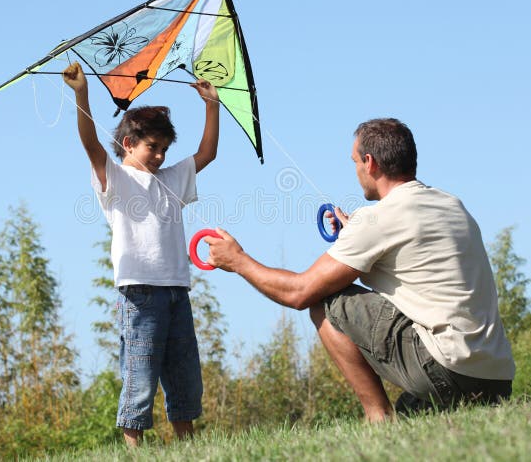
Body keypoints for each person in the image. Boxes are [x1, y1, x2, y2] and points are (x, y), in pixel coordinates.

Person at [205, 118, 515, 422]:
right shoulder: (451, 204)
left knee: (323, 301)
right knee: (412, 415)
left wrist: (238, 260)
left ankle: (377, 417)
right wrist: (353, 234)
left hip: (446, 369)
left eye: (354, 162)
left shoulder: (377, 219)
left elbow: (299, 292)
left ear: (370, 162)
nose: (355, 171)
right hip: (496, 380)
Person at [63, 62, 221, 445]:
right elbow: (91, 145)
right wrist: (82, 95)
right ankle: (134, 449)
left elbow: (207, 153)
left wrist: (212, 106)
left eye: (165, 149)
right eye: (153, 147)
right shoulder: (115, 178)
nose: (160, 157)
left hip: (176, 291)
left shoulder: (171, 180)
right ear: (129, 143)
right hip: (139, 293)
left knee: (184, 374)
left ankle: (188, 445)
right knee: (140, 373)